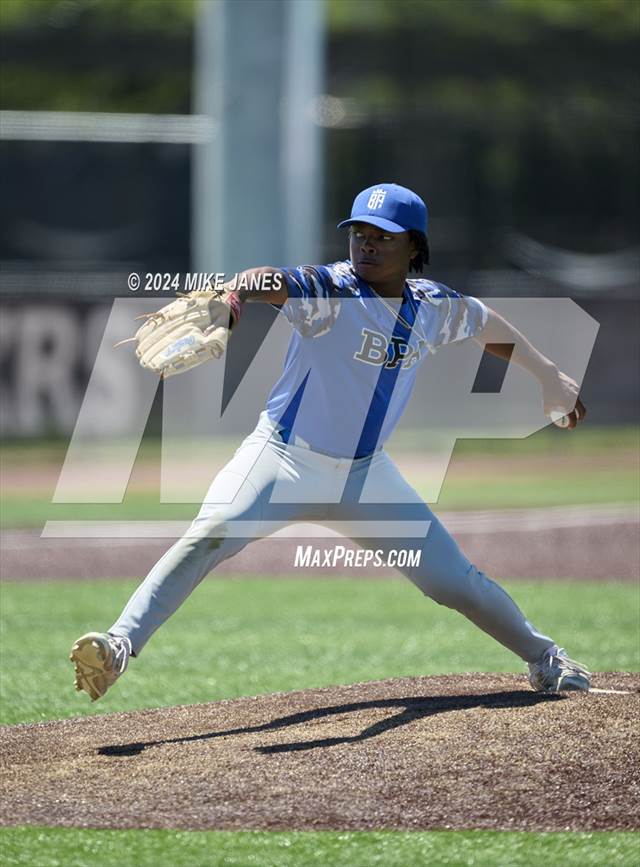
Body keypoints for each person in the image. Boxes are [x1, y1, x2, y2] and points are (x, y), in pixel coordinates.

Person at [70, 183, 590, 701]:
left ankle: (545, 659)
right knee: (210, 532)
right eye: (359, 233)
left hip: (366, 478)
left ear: (414, 246)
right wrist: (236, 294)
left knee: (453, 582)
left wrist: (549, 377)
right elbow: (269, 279)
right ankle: (118, 646)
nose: (365, 244)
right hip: (281, 461)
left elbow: (483, 321)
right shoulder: (330, 292)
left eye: (382, 236)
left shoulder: (431, 305)